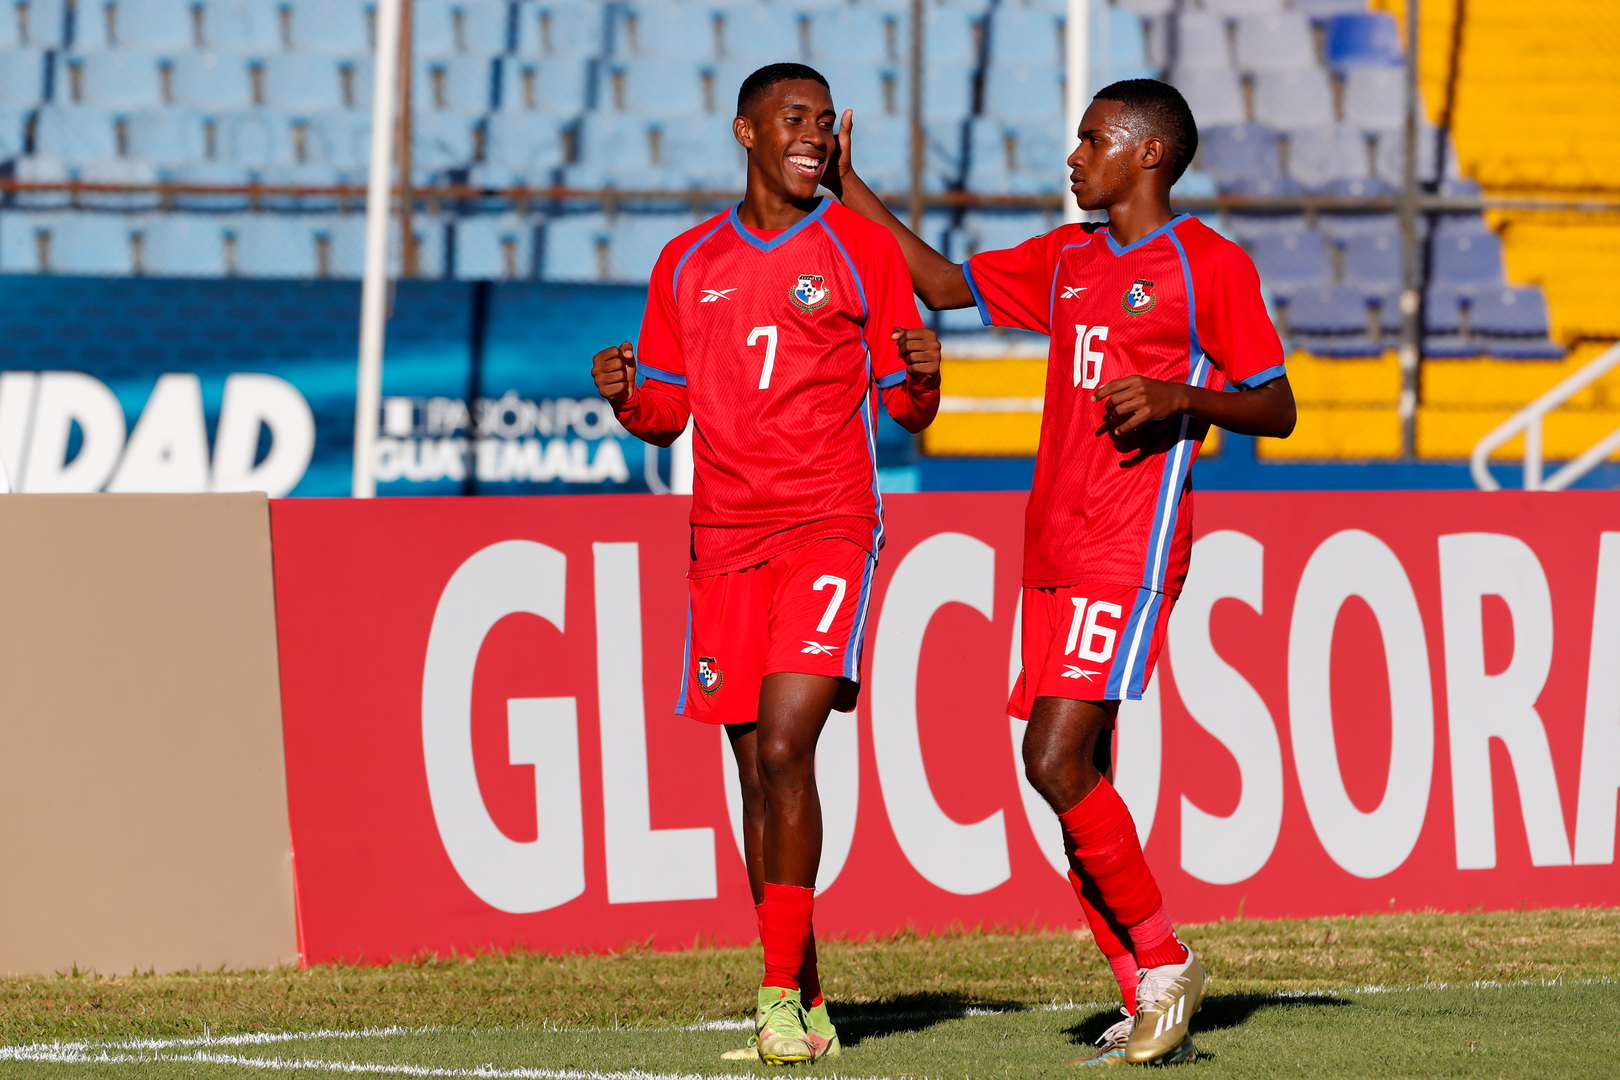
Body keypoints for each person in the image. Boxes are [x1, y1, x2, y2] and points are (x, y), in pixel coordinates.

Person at [830, 78, 1296, 1066]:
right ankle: (1141, 1001)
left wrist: (1179, 396)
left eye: (1092, 140)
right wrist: (848, 189)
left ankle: (1168, 962)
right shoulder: (1069, 259)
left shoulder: (1206, 265)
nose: (1074, 157)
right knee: (1073, 776)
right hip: (1050, 549)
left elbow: (1276, 403)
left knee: (1052, 757)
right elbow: (943, 283)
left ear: (1149, 155)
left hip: (1128, 550)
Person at [590, 62, 942, 1067]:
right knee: (754, 774)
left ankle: (775, 999)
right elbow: (666, 417)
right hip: (724, 545)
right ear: (745, 131)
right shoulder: (685, 261)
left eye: (826, 124)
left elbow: (902, 407)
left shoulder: (862, 253)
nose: (815, 136)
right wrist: (626, 396)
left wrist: (924, 385)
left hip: (828, 526)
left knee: (787, 747)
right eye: (796, 119)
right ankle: (811, 1000)